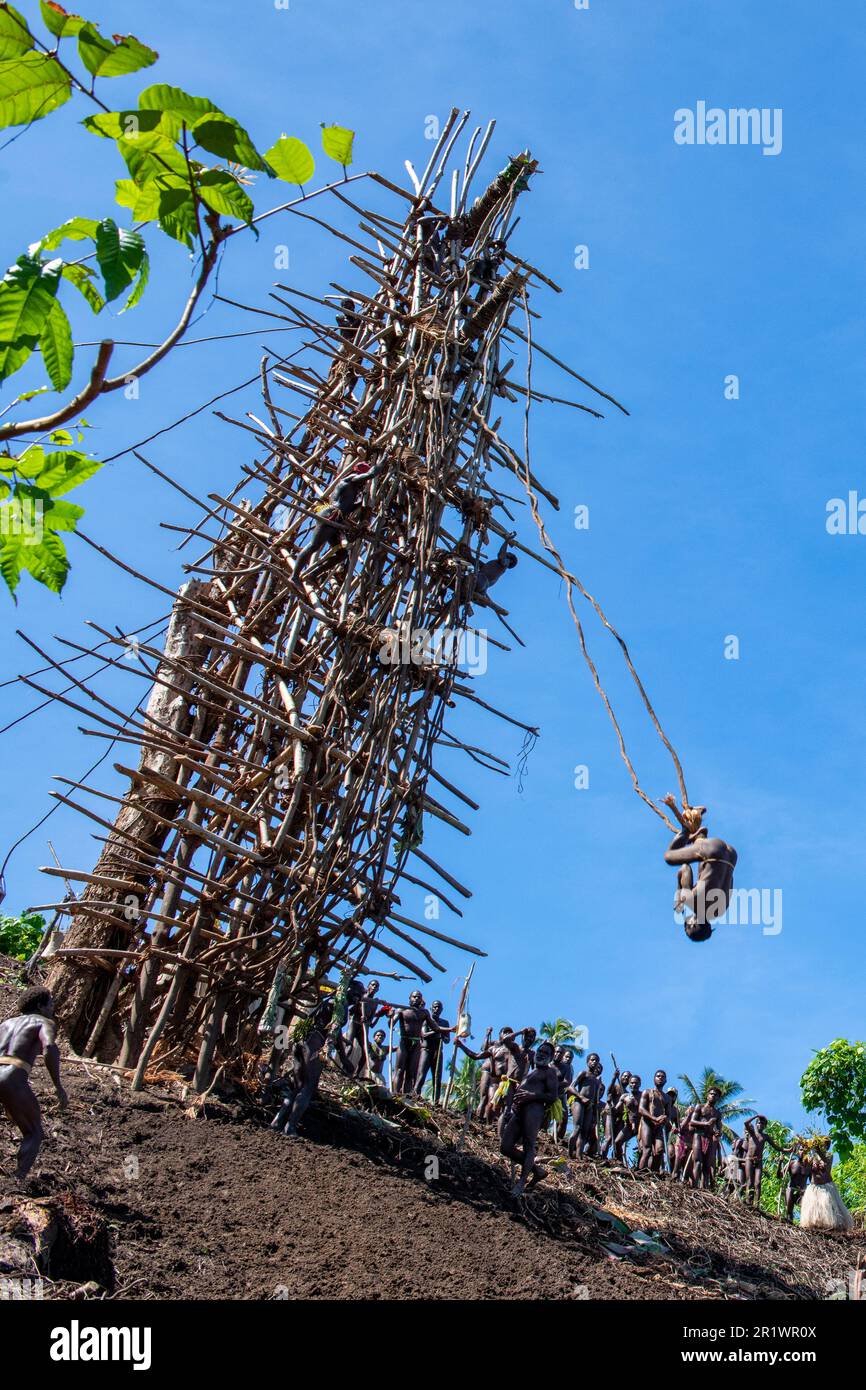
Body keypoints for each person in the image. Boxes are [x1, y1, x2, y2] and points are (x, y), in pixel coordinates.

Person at [0, 987, 68, 1183]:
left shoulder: (5, 1024)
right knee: (34, 1132)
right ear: (40, 1006)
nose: (53, 1008)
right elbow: (49, 1048)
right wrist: (58, 1086)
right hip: (12, 1076)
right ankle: (17, 1181)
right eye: (51, 1003)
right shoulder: (44, 1022)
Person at [293, 454, 386, 577]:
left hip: (337, 520)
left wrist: (360, 504)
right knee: (313, 545)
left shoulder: (352, 488)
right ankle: (294, 576)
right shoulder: (351, 478)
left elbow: (347, 507)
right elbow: (371, 474)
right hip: (331, 515)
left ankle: (312, 575)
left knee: (342, 555)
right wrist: (383, 459)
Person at [662, 795, 738, 942]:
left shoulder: (720, 910)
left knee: (704, 873)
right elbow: (684, 868)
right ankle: (686, 829)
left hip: (731, 856)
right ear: (693, 924)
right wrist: (680, 895)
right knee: (669, 857)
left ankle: (698, 829)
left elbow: (730, 880)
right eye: (686, 926)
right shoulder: (691, 902)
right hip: (712, 850)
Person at [499, 1040, 560, 1196]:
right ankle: (537, 1171)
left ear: (551, 1057)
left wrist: (532, 1095)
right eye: (540, 1051)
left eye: (546, 1053)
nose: (541, 1054)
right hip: (519, 1111)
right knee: (505, 1147)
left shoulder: (549, 1072)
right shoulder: (531, 1071)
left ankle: (521, 1183)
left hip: (534, 1110)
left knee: (528, 1145)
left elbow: (553, 1096)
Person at [270, 999, 333, 1138]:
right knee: (308, 1087)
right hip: (314, 1042)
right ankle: (290, 1127)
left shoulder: (326, 1001)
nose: (358, 997)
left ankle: (277, 1122)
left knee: (297, 1086)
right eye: (357, 993)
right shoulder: (340, 1004)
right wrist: (344, 1058)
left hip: (301, 1041)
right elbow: (334, 1030)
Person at [799, 1138, 854, 1231]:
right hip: (814, 1187)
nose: (826, 1147)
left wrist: (819, 1152)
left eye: (827, 1145)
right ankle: (816, 1226)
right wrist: (802, 1158)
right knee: (814, 1209)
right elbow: (805, 1172)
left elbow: (826, 1168)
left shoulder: (829, 1155)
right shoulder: (811, 1157)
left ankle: (833, 1228)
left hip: (826, 1186)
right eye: (824, 1144)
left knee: (828, 1206)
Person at [638, 1069, 672, 1173]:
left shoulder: (667, 1098)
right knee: (647, 1149)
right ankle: (640, 1173)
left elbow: (669, 1114)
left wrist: (665, 1119)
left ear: (666, 1080)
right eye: (658, 1076)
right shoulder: (647, 1092)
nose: (660, 1078)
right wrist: (654, 1118)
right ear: (654, 1079)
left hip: (659, 1126)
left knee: (659, 1150)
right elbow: (641, 1109)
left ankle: (654, 1173)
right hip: (647, 1123)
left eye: (663, 1077)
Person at [472, 536, 518, 603]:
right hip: (482, 584)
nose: (507, 552)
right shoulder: (496, 566)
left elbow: (501, 556)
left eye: (510, 554)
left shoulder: (506, 562)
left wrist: (507, 541)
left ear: (511, 560)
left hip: (482, 580)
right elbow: (482, 567)